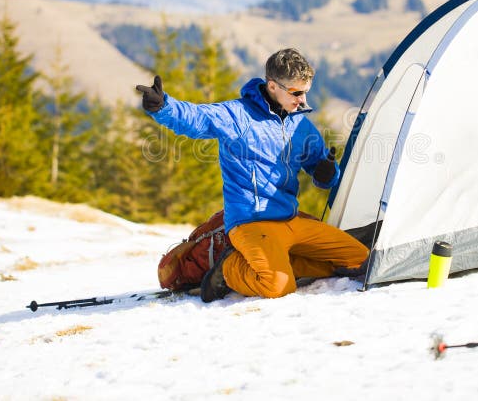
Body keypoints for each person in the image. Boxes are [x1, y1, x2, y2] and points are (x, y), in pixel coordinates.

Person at [137, 48, 369, 302]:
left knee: (360, 260)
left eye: (305, 92)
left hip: (290, 220)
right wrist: (163, 107)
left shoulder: (300, 123)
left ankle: (276, 260)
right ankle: (229, 269)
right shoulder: (238, 116)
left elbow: (322, 171)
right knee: (278, 286)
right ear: (272, 86)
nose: (302, 100)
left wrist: (327, 173)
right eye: (296, 93)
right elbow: (198, 119)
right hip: (251, 224)